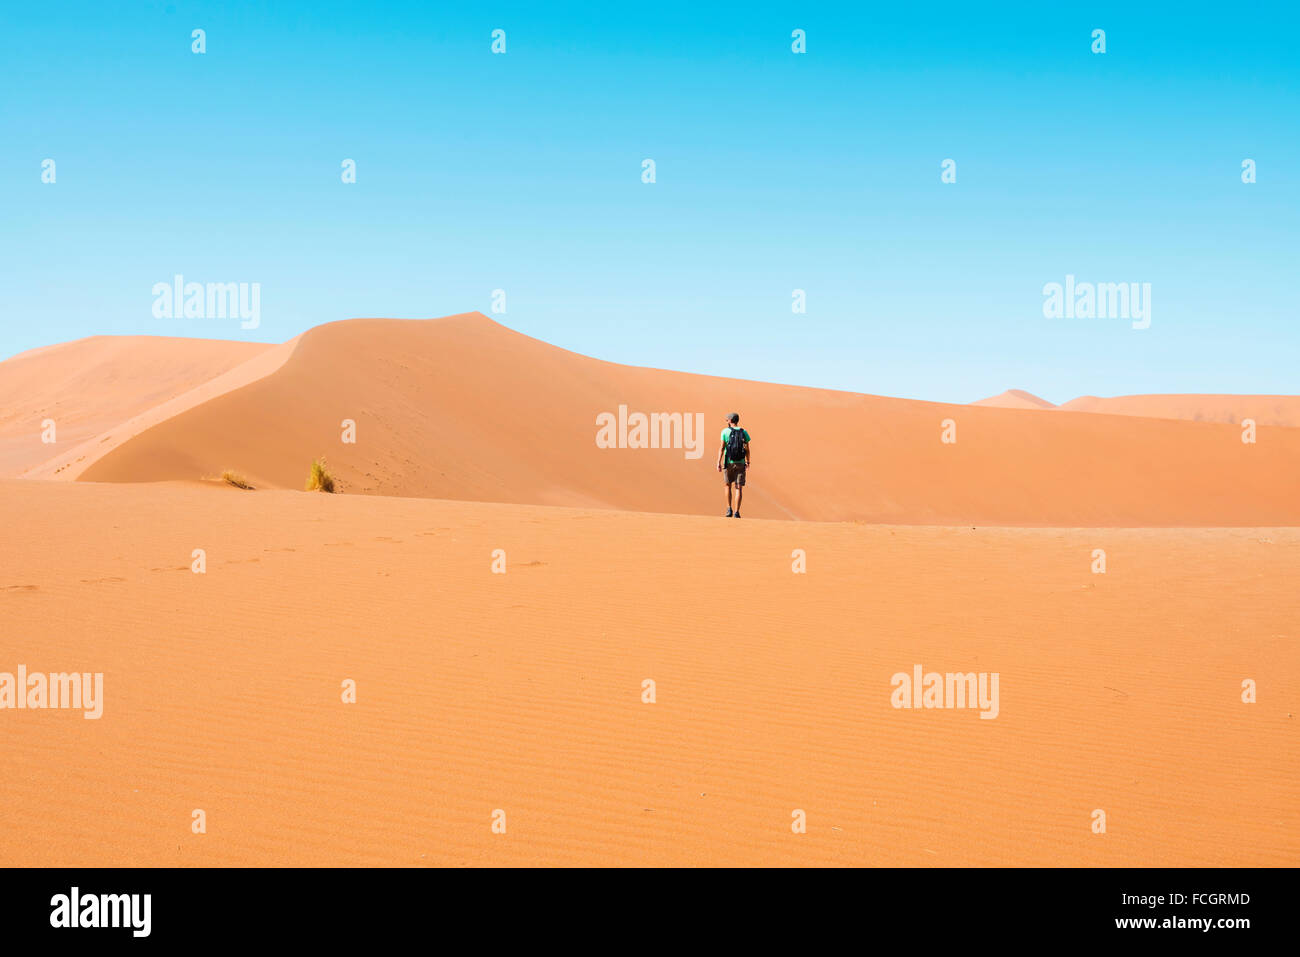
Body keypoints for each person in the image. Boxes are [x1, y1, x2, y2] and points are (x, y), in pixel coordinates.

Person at [716, 412, 751, 518]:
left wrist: (718, 461)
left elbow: (722, 448)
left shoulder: (725, 432)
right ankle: (737, 512)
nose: (726, 421)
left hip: (728, 462)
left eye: (727, 420)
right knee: (738, 488)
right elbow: (747, 449)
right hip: (740, 463)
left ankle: (728, 509)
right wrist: (748, 461)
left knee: (727, 485)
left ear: (730, 421)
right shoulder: (744, 432)